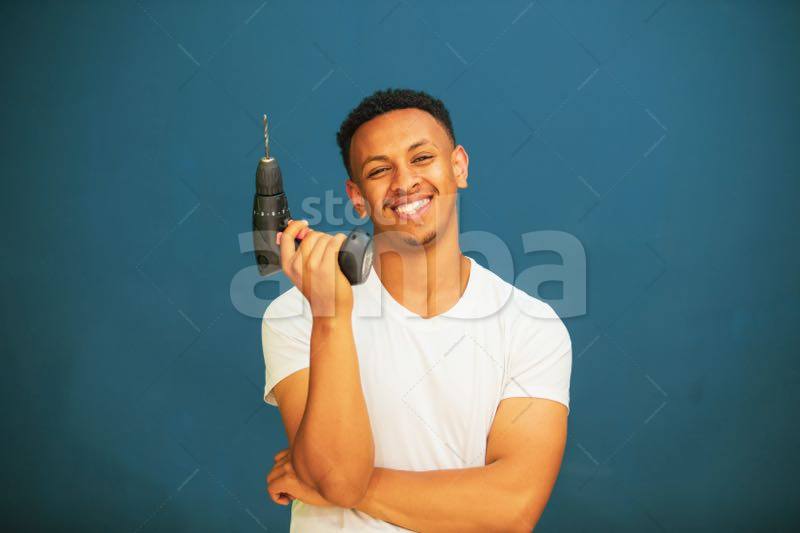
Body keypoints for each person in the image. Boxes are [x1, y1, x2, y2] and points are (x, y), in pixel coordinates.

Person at [262, 88, 572, 532]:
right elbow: (335, 473)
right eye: (379, 169)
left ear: (459, 166)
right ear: (356, 196)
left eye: (422, 158)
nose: (404, 182)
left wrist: (344, 486)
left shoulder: (532, 327)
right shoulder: (296, 314)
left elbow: (512, 508)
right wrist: (330, 315)